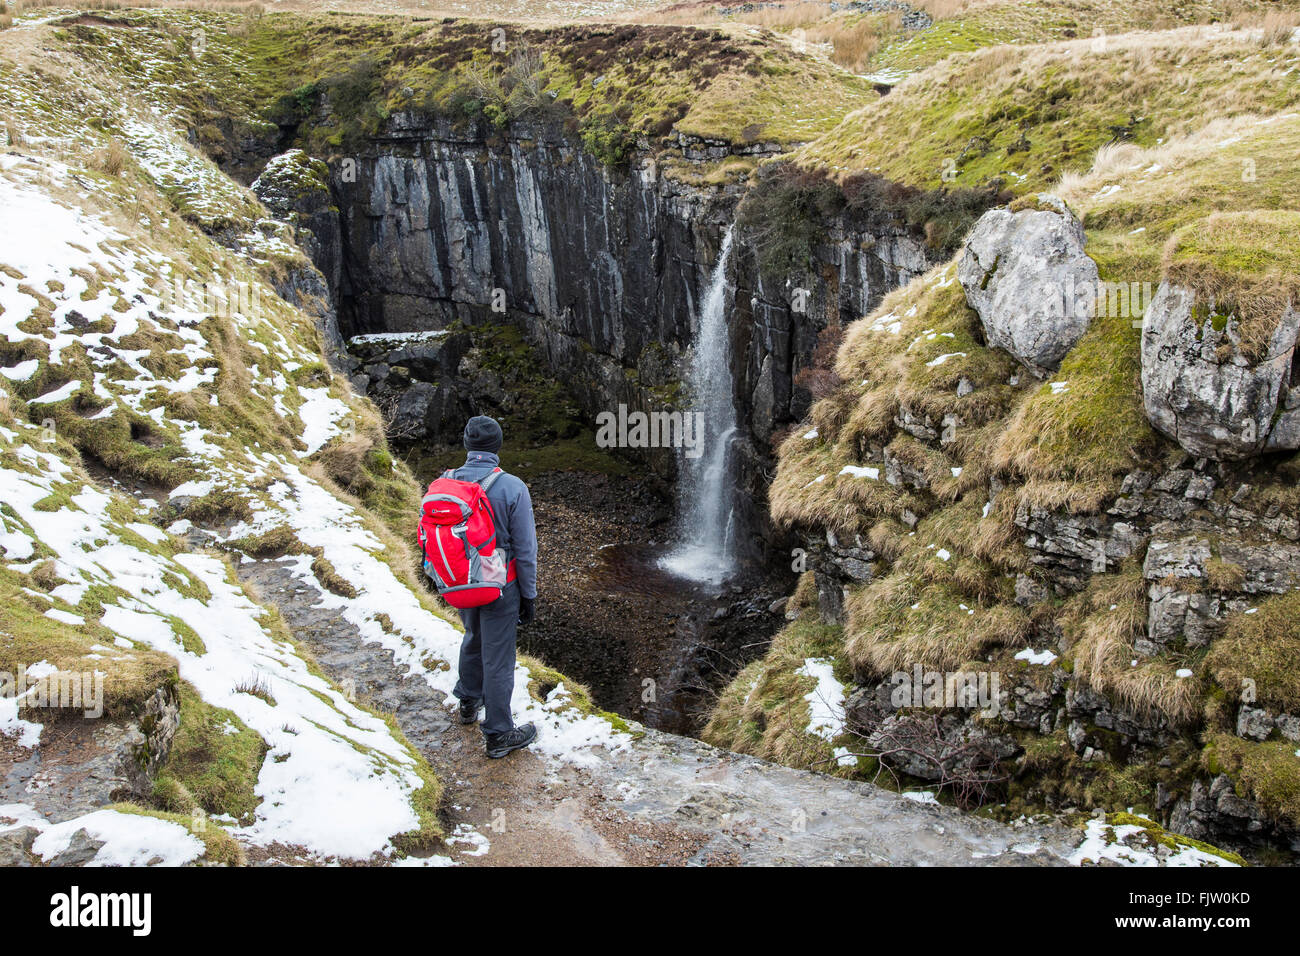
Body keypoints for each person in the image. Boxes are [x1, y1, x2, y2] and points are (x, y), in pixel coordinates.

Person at [449, 415, 539, 758]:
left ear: (467, 446)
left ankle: (468, 702)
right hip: (501, 585)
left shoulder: (448, 482)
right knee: (499, 657)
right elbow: (526, 550)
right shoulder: (512, 487)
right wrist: (528, 595)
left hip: (460, 581)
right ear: (498, 448)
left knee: (473, 637)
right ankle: (499, 733)